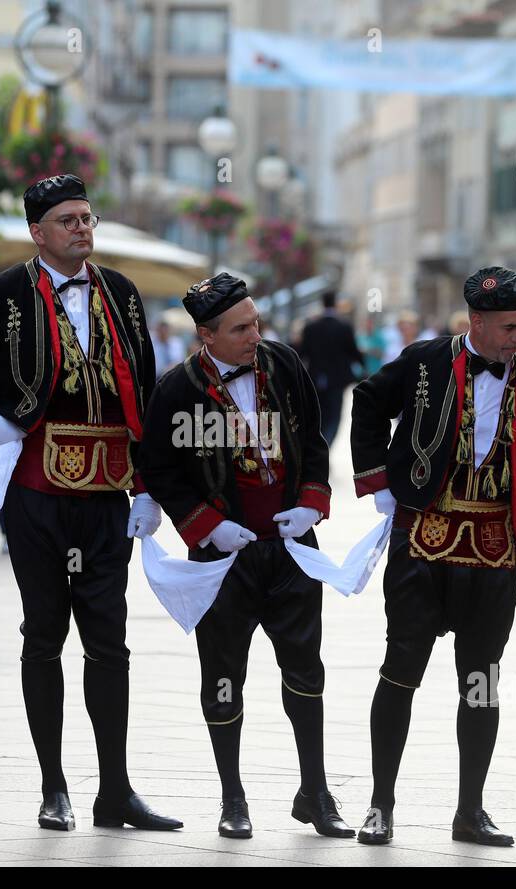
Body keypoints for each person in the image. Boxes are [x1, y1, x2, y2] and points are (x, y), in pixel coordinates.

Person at [0, 173, 181, 833]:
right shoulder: (4, 293)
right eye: (66, 220)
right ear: (38, 232)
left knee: (110, 642)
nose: (81, 229)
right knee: (44, 635)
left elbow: (142, 391)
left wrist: (148, 486)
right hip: (34, 490)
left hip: (108, 494)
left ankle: (115, 790)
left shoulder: (120, 291)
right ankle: (53, 787)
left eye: (86, 217)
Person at [350, 266, 516, 847]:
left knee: (481, 682)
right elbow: (368, 401)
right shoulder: (425, 361)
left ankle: (470, 810)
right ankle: (380, 805)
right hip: (423, 545)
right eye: (506, 328)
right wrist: (378, 482)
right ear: (475, 321)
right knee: (400, 671)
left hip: (495, 553)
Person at [137, 273, 351, 840]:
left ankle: (316, 790)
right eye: (241, 329)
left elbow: (313, 439)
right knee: (223, 676)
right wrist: (206, 525)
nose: (255, 335)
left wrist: (311, 502)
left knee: (306, 670)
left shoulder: (283, 364)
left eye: (256, 323)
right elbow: (156, 467)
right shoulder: (176, 390)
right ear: (206, 335)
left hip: (291, 550)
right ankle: (233, 797)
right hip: (222, 562)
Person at [297, 290, 365, 448]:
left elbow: (302, 353)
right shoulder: (344, 326)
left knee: (319, 415)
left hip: (315, 379)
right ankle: (326, 445)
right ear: (335, 303)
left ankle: (321, 445)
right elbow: (353, 352)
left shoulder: (311, 327)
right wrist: (363, 368)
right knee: (334, 417)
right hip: (337, 381)